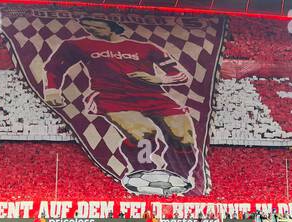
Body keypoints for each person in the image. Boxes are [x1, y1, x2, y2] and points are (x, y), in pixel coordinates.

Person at [43, 17, 196, 184]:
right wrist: (52, 90)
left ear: (113, 27)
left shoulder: (146, 47)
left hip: (154, 96)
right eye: (86, 26)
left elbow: (180, 74)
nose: (90, 29)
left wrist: (159, 79)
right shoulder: (76, 45)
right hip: (112, 96)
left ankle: (178, 177)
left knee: (184, 136)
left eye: (96, 25)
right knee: (143, 134)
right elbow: (54, 67)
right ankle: (143, 174)